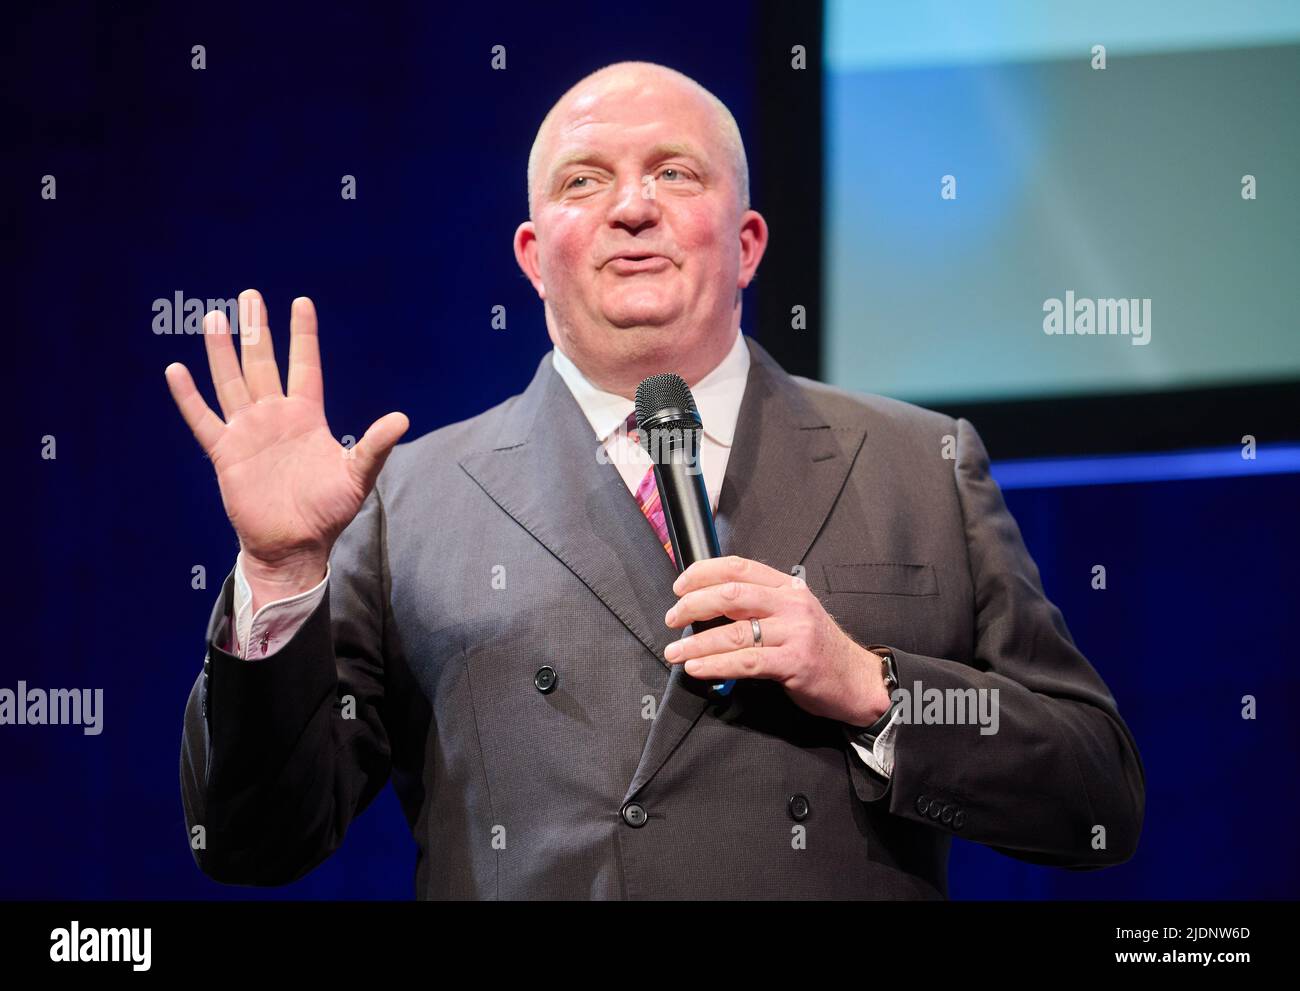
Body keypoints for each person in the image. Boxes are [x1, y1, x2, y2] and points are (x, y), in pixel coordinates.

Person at [167, 61, 1144, 899]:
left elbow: (1096, 798)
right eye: (584, 181)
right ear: (532, 257)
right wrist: (283, 572)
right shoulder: (407, 501)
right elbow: (253, 842)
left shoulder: (916, 465)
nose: (632, 206)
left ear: (749, 242)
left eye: (674, 172)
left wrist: (869, 685)